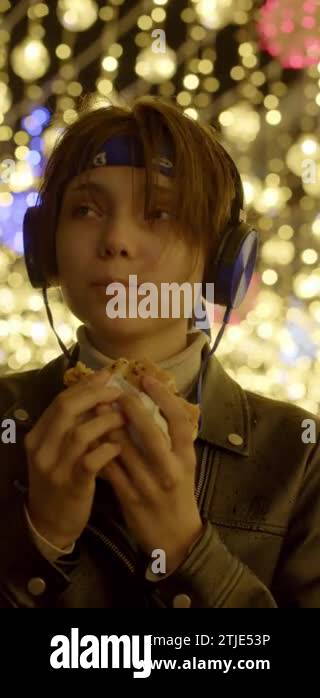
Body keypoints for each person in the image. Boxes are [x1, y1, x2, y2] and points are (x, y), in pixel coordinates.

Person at [0, 94, 319, 608]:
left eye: (160, 212)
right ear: (44, 246)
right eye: (85, 209)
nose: (117, 239)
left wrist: (186, 550)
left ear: (223, 261)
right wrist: (39, 538)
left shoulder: (301, 456)